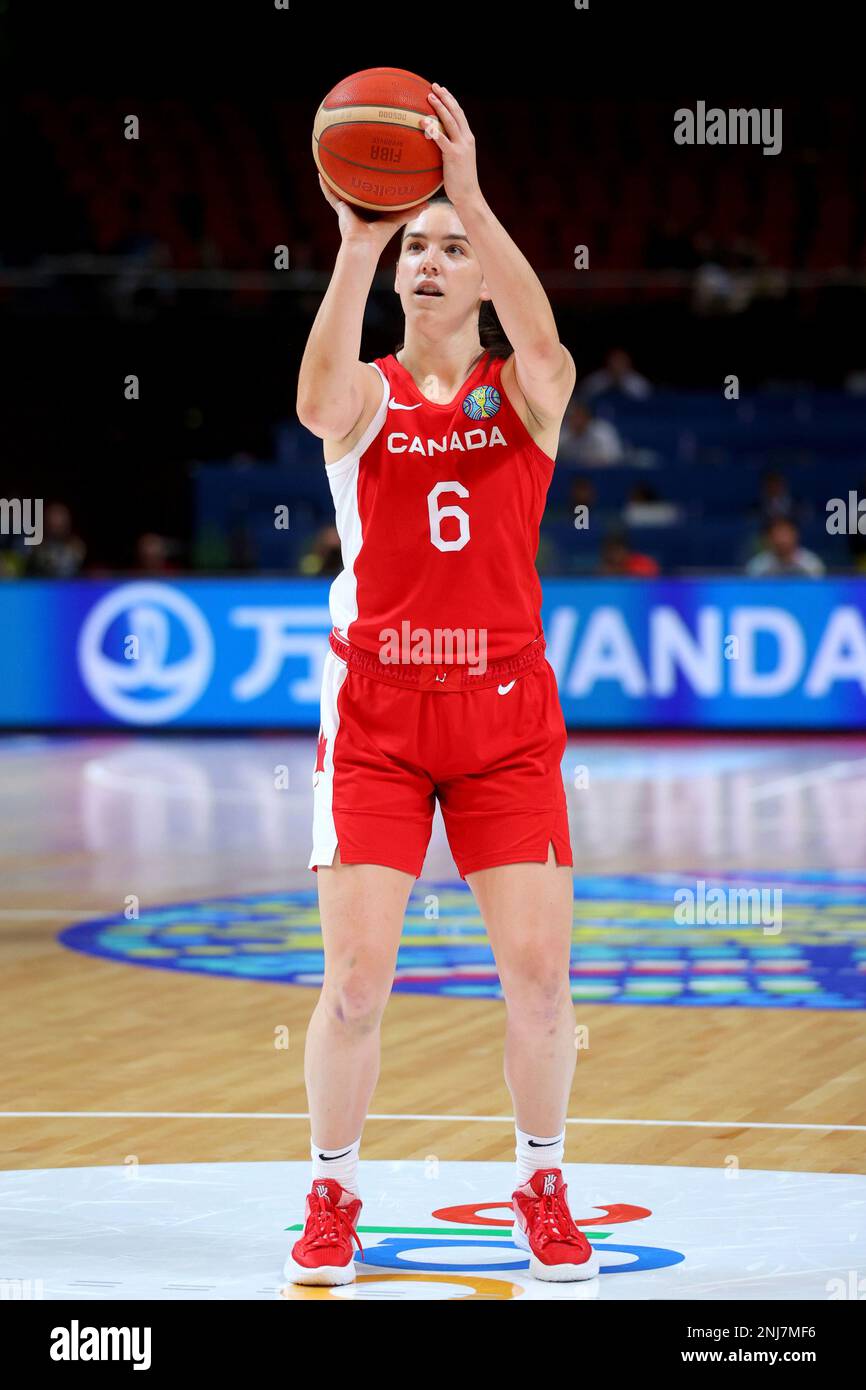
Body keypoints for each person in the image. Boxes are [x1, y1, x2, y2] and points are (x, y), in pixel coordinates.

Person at [287, 82, 597, 1287]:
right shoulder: (363, 395)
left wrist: (466, 192)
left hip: (504, 722)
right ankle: (330, 1193)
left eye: (448, 250)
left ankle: (540, 1180)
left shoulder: (525, 393)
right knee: (356, 983)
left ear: (480, 277)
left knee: (537, 978)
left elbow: (549, 345)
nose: (430, 260)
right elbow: (313, 401)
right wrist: (356, 241)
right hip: (373, 720)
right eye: (418, 246)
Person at [746, 517, 825, 576]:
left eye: (785, 534)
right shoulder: (758, 565)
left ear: (795, 535)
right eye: (777, 534)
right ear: (769, 538)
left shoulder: (811, 563)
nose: (782, 539)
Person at [558, 400, 625, 467]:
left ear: (588, 417)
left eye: (580, 416)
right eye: (574, 417)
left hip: (601, 471)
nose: (577, 421)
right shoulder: (563, 433)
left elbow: (615, 458)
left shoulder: (603, 432)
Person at [577, 347, 652, 402]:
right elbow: (583, 395)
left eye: (620, 361)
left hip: (631, 415)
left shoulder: (637, 381)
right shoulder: (597, 379)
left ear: (628, 363)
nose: (617, 365)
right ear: (608, 362)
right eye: (614, 361)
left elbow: (646, 398)